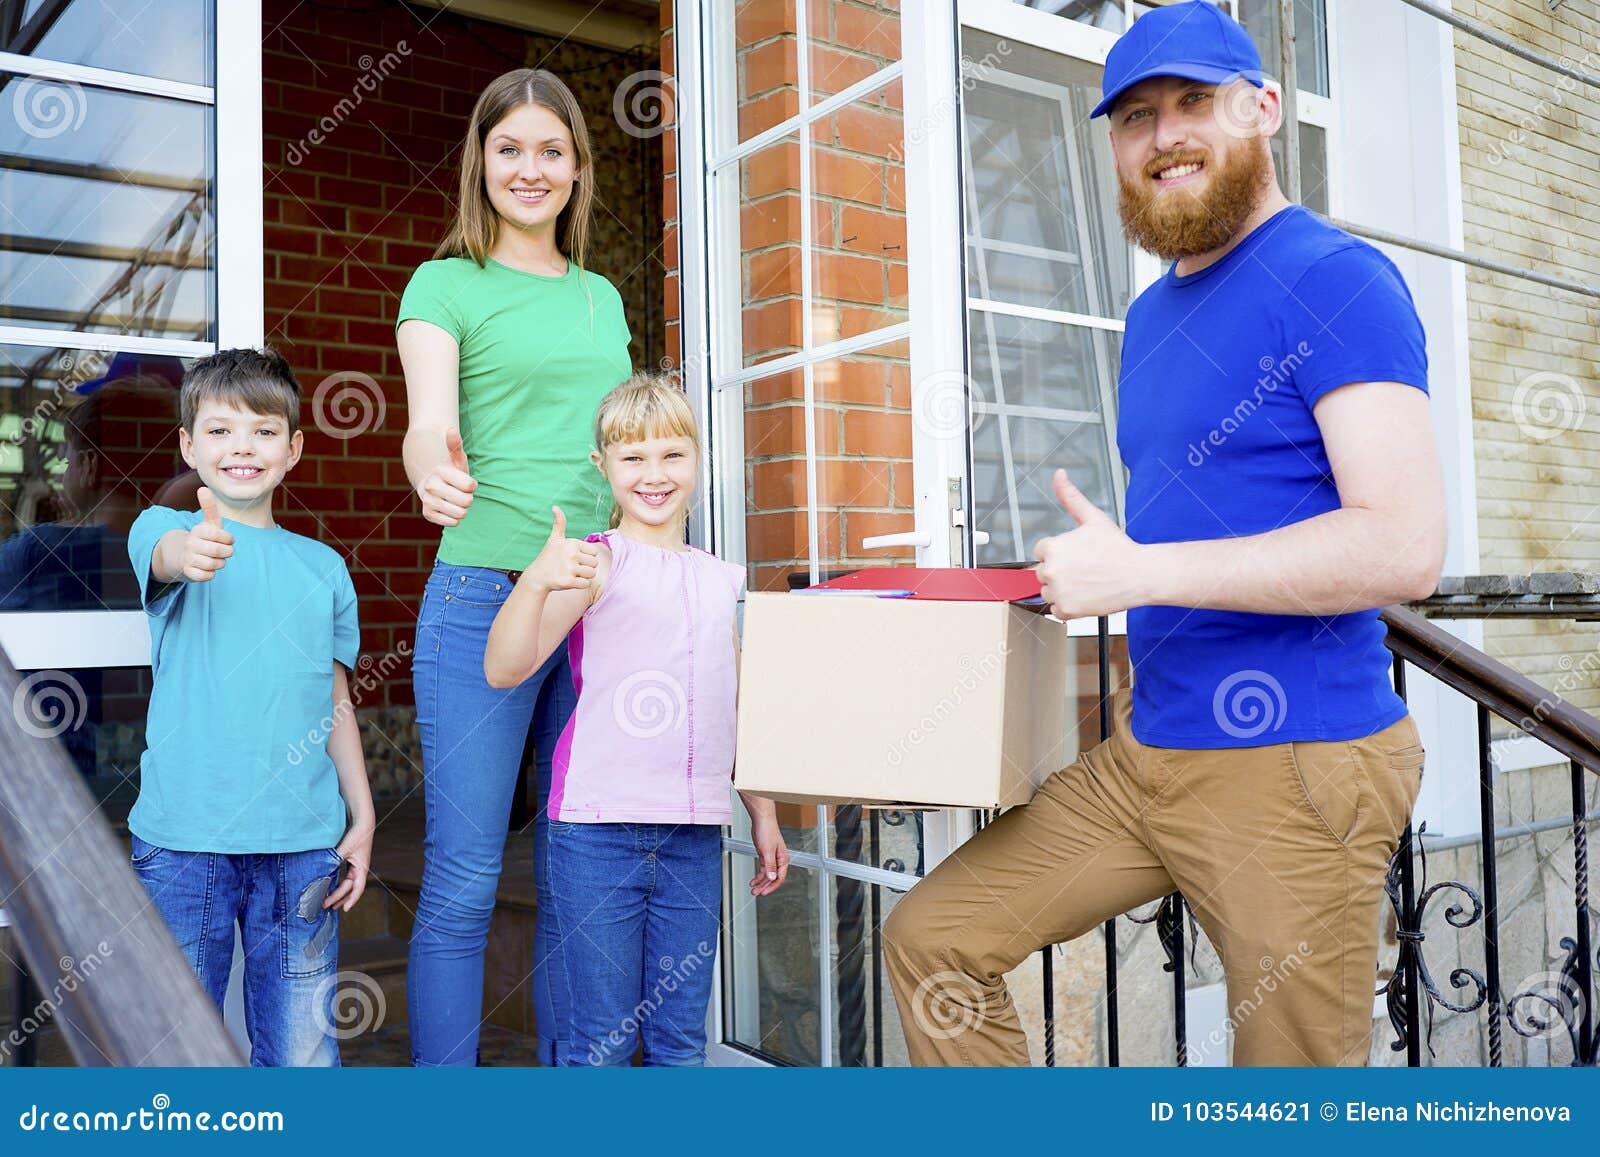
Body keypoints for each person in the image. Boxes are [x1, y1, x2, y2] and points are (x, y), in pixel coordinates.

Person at [883, 0, 1446, 1067]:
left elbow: (1402, 545)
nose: (1165, 134)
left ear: (1262, 109)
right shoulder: (1151, 315)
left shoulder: (1335, 278)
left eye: (1195, 101)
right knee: (933, 940)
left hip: (1295, 762)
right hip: (1153, 747)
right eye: (1136, 116)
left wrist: (1139, 571)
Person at [396, 68, 633, 1066]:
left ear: (576, 168)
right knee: (463, 879)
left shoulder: (601, 298)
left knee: (579, 878)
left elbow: (620, 447)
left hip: (596, 602)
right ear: (480, 162)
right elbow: (428, 423)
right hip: (482, 593)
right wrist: (428, 469)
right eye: (509, 149)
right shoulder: (445, 284)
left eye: (550, 150)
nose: (529, 169)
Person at [483, 374, 789, 1066]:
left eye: (672, 454)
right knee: (603, 1042)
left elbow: (736, 703)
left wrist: (764, 813)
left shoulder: (719, 579)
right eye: (634, 457)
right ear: (604, 466)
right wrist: (535, 582)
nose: (655, 474)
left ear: (698, 458)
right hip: (598, 834)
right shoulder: (595, 563)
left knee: (679, 1040)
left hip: (692, 835)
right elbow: (504, 668)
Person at [125, 346, 374, 1067]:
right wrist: (191, 550)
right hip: (184, 839)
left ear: (293, 449)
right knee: (177, 1052)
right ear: (188, 446)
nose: (242, 446)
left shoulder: (324, 568)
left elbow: (336, 700)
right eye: (220, 430)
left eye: (264, 431)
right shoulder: (161, 529)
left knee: (302, 1057)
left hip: (303, 843)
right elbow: (171, 554)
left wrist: (361, 816)